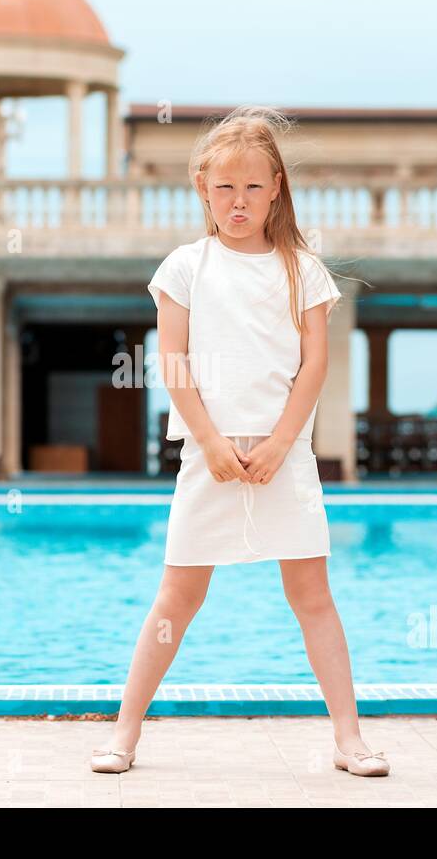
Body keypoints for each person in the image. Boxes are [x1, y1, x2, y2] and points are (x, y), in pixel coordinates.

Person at [90, 105, 389, 778]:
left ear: (276, 187)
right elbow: (173, 363)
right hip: (209, 459)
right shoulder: (184, 268)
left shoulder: (302, 269)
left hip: (286, 459)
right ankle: (124, 734)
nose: (239, 201)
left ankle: (350, 739)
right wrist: (214, 444)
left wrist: (284, 442)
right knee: (177, 599)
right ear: (203, 187)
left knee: (313, 596)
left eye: (253, 187)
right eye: (225, 187)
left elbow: (314, 364)